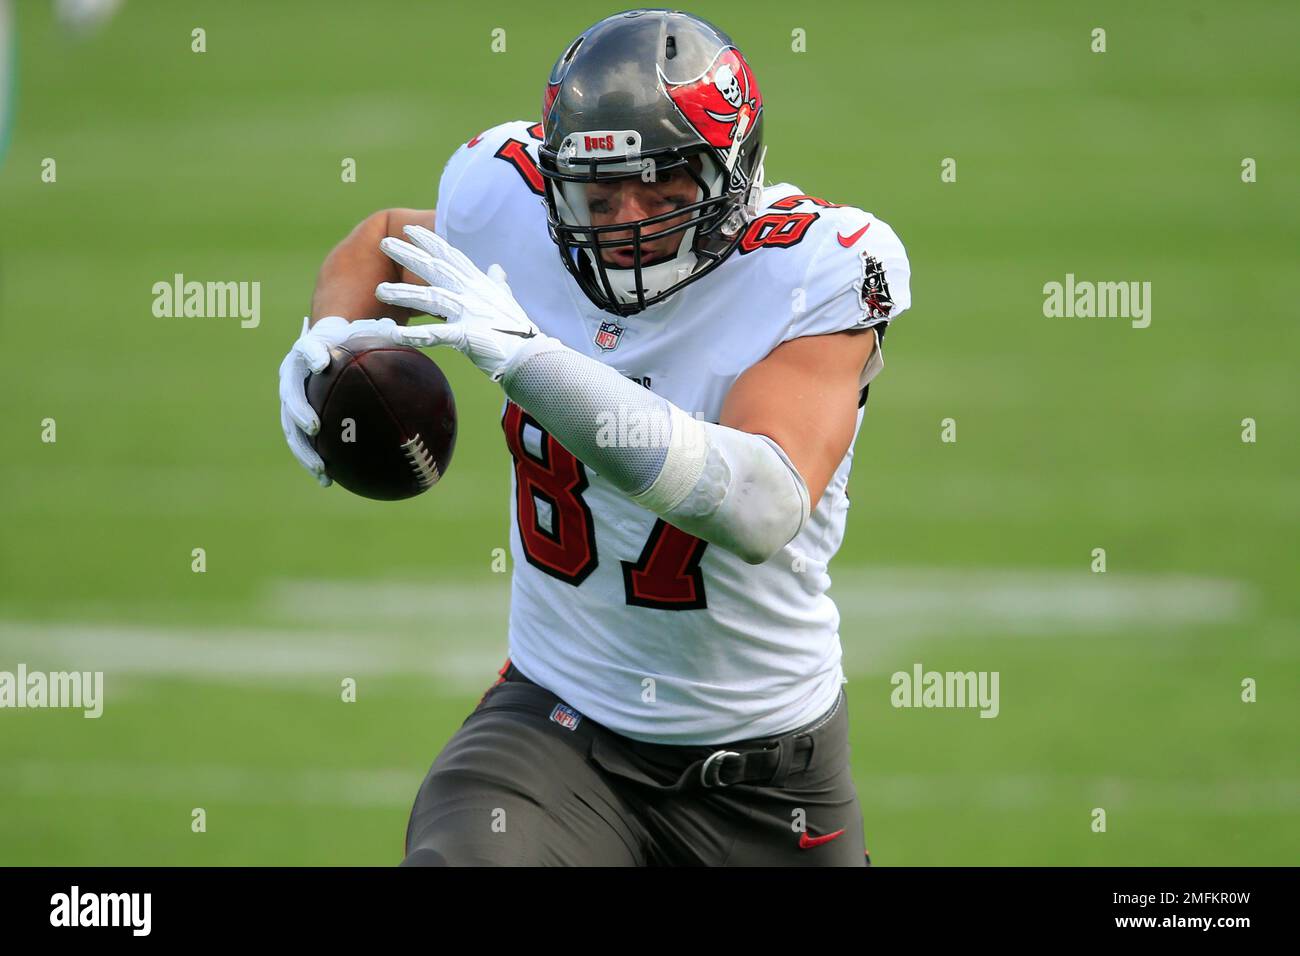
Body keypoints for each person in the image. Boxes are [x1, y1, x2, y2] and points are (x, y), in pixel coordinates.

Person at [277, 8, 911, 866]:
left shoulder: (812, 267)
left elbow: (759, 504)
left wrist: (533, 363)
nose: (626, 226)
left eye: (663, 195)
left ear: (733, 177)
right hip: (557, 728)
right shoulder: (508, 203)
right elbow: (386, 241)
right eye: (598, 197)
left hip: (768, 775)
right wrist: (329, 342)